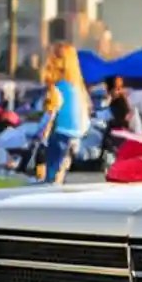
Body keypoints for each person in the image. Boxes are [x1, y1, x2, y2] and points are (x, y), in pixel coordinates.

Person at [40, 43, 90, 185]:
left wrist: (42, 134)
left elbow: (51, 113)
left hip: (60, 135)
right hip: (75, 136)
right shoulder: (77, 88)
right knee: (60, 176)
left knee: (51, 181)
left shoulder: (57, 87)